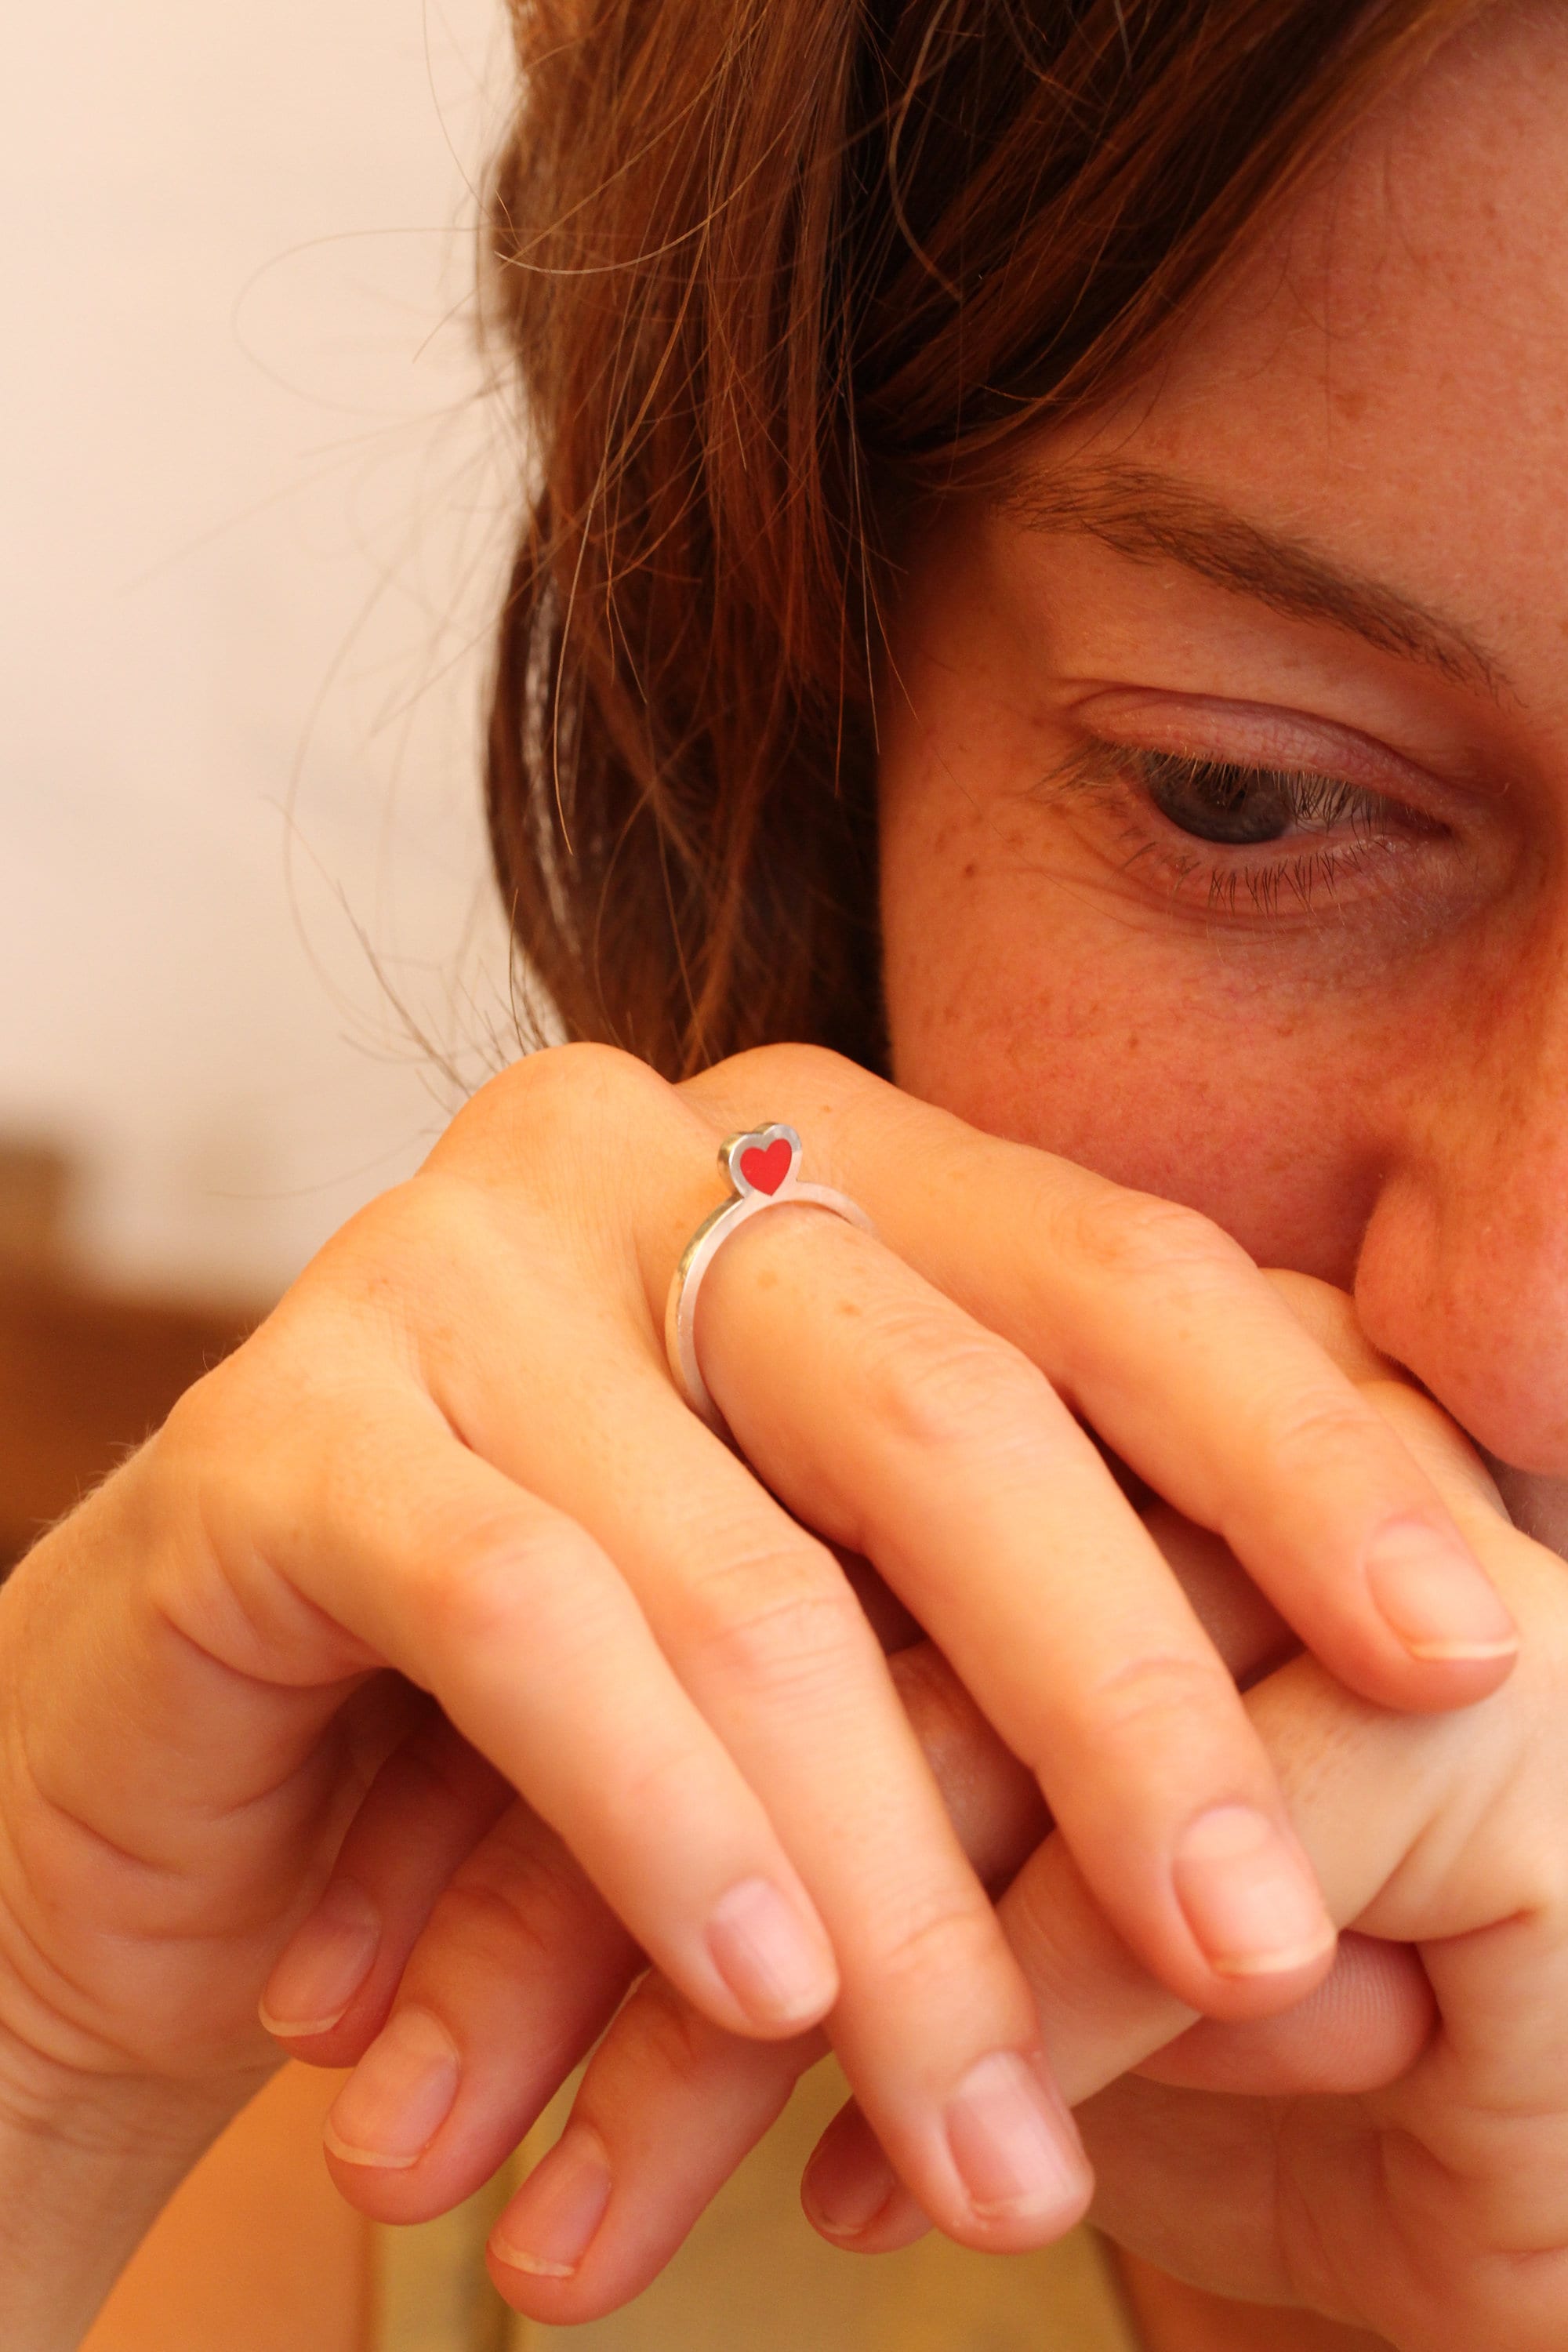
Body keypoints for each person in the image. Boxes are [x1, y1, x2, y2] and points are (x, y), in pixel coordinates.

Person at [0, 0, 1563, 2344]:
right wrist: (44, 2060)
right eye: (1238, 796)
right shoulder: (478, 2044)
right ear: (812, 726)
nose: (1526, 1331)